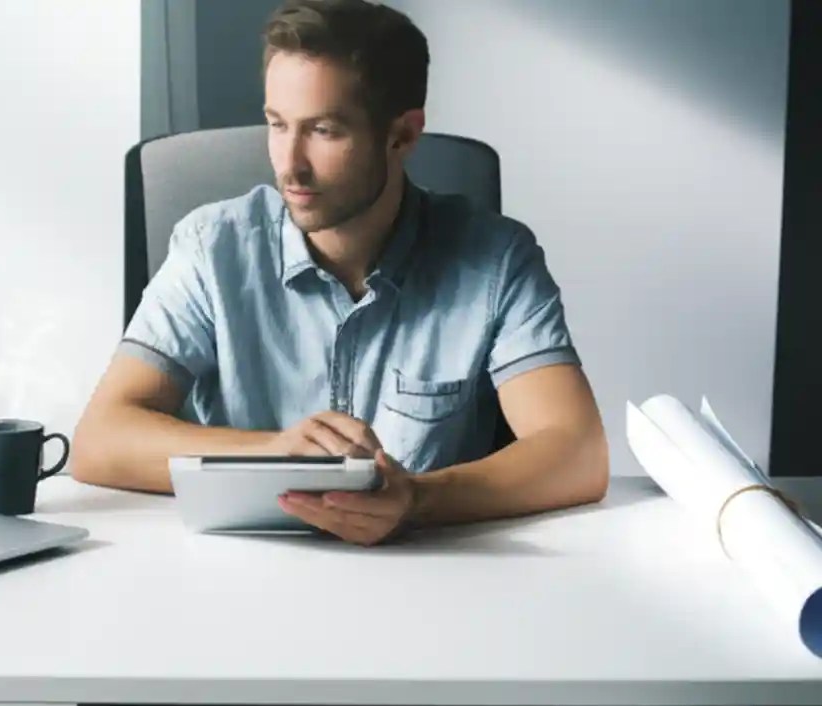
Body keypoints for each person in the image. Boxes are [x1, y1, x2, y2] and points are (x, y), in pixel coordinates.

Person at [72, 0, 607, 546]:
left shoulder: (495, 258)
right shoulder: (211, 248)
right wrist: (273, 454)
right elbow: (99, 439)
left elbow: (577, 452)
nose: (290, 164)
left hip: (429, 585)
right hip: (240, 579)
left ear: (402, 135)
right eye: (277, 125)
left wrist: (418, 499)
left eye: (324, 131)